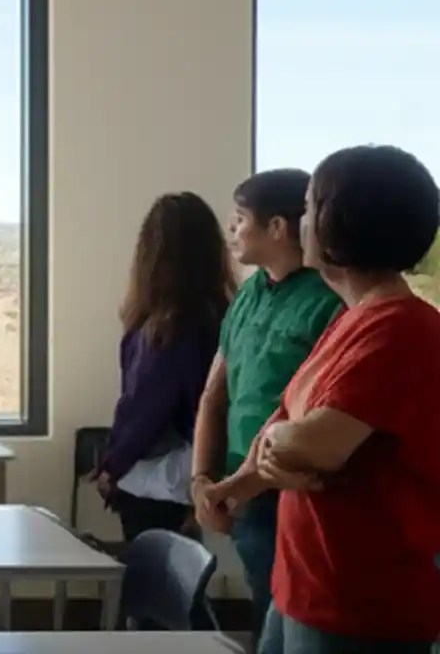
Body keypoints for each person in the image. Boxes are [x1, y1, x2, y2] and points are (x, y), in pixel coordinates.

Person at [208, 144, 440, 652]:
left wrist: (283, 442)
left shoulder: (400, 329)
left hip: (359, 601)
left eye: (311, 207)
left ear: (343, 224)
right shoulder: (354, 318)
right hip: (305, 585)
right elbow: (289, 419)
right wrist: (236, 485)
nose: (302, 221)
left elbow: (314, 444)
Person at [189, 169, 342, 641]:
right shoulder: (251, 293)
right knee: (267, 611)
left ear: (277, 227)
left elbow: (319, 415)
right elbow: (215, 392)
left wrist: (238, 486)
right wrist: (202, 479)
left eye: (239, 220)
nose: (232, 232)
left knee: (297, 622)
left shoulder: (330, 299)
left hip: (300, 489)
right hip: (246, 491)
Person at [93, 192, 235, 544]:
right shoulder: (221, 314)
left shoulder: (168, 327)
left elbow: (145, 409)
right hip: (194, 471)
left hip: (157, 482)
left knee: (154, 586)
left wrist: (112, 465)